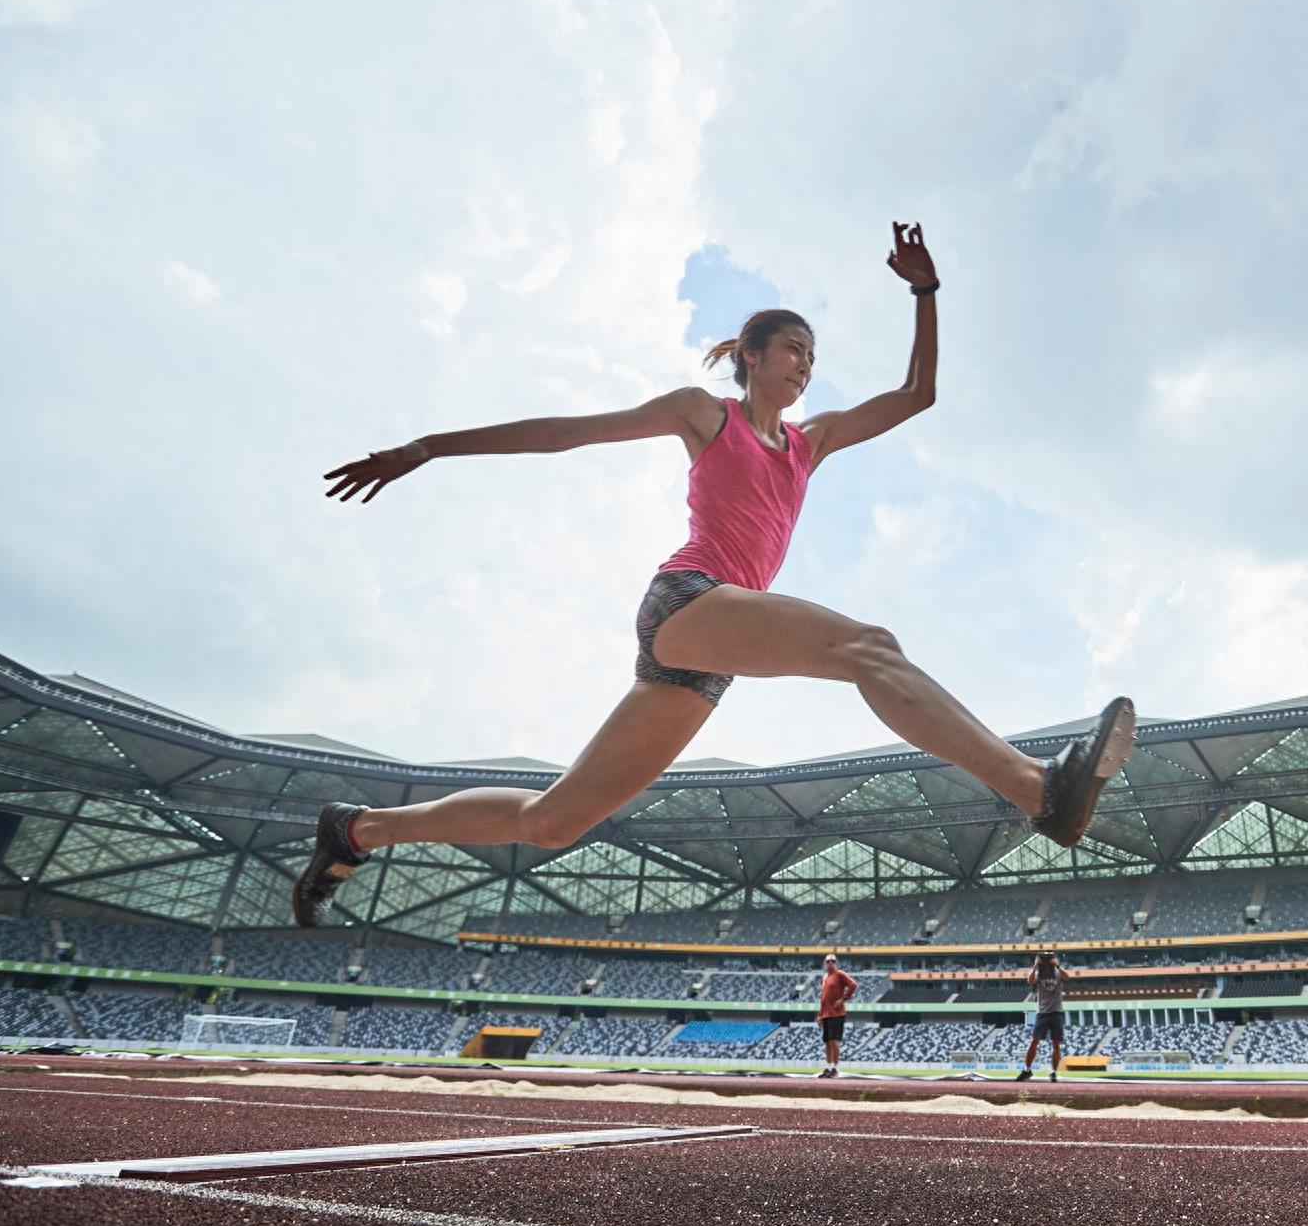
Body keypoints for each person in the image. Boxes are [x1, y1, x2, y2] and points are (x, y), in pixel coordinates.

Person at [293, 223, 1136, 927]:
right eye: (792, 351)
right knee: (868, 647)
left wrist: (927, 293)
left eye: (812, 355)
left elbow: (918, 394)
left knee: (551, 819)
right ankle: (1036, 787)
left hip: (709, 656)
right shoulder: (706, 416)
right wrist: (431, 446)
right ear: (755, 357)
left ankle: (357, 830)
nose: (804, 366)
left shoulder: (813, 441)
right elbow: (570, 433)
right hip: (688, 603)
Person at [1016, 951, 1069, 1082]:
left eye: (1049, 958)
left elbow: (1067, 977)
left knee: (1056, 1044)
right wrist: (1035, 966)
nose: (1046, 961)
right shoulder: (1039, 974)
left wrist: (1057, 965)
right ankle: (1027, 1070)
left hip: (1056, 1011)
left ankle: (1054, 1072)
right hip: (1043, 1012)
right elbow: (1030, 980)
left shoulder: (1057, 973)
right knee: (1034, 1041)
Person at [816, 953, 856, 1078]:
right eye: (828, 961)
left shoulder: (840, 974)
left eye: (833, 961)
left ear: (836, 963)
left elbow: (853, 985)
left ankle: (835, 1069)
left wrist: (843, 999)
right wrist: (819, 1015)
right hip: (826, 1014)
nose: (830, 963)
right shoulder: (824, 977)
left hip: (837, 1013)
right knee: (827, 1042)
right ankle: (828, 1068)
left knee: (834, 1041)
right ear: (824, 963)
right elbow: (823, 998)